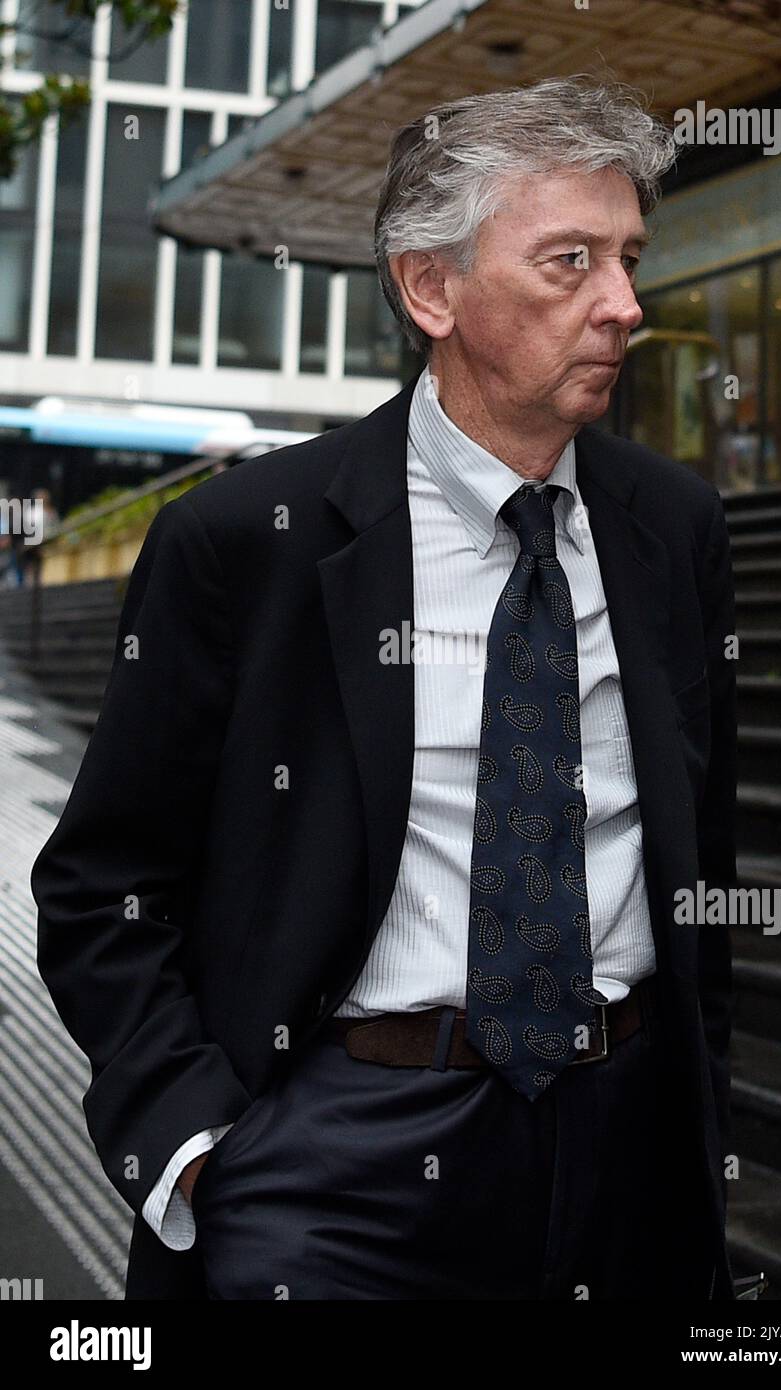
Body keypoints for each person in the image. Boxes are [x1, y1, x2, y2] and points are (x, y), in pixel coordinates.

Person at [31, 74, 737, 1301]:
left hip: (625, 1144)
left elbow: (702, 851)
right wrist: (202, 1150)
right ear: (430, 287)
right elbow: (103, 887)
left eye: (626, 256)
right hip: (338, 1157)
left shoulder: (670, 529)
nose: (622, 303)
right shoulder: (249, 538)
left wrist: (696, 1106)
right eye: (568, 261)